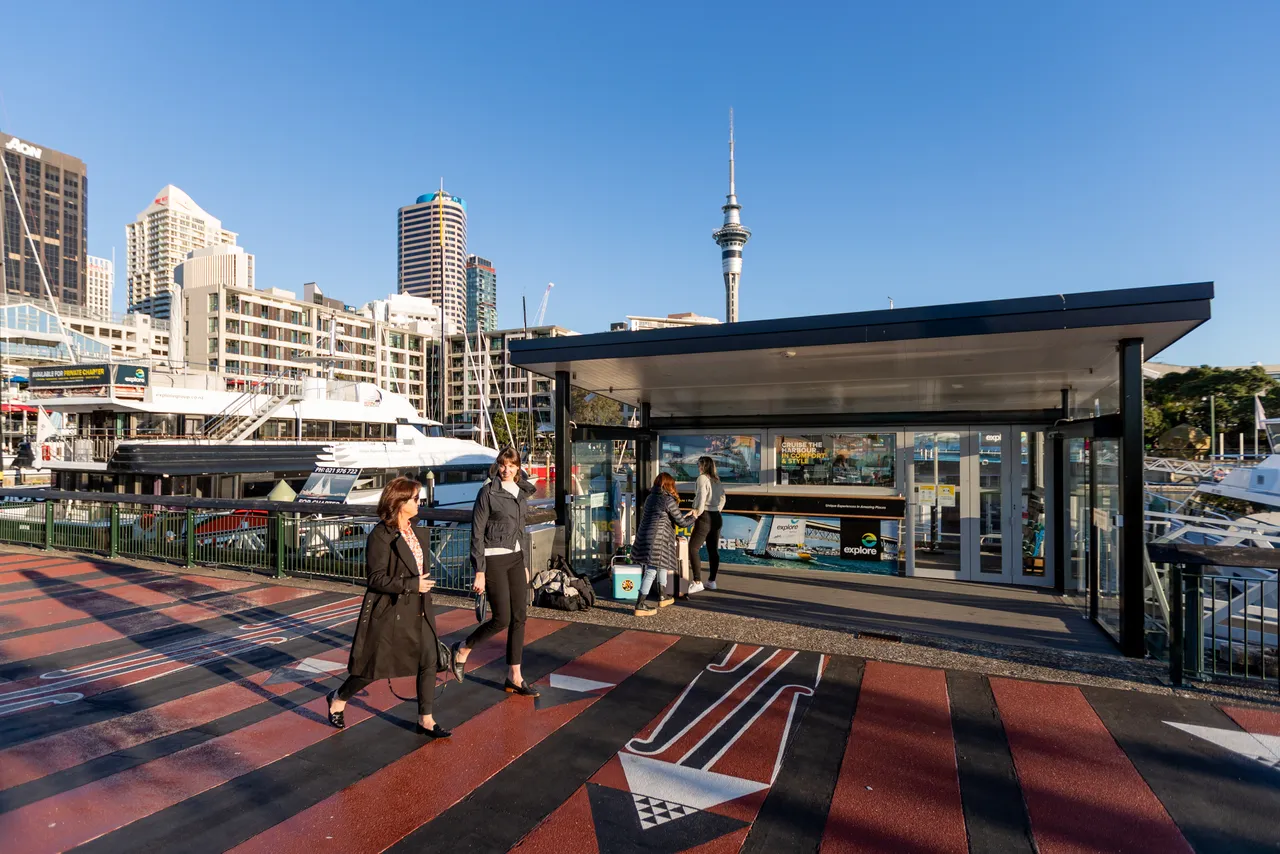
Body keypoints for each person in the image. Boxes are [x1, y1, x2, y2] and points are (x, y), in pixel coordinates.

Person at [327, 477, 450, 738]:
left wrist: (418, 587)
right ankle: (338, 697)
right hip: (392, 608)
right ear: (400, 502)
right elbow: (375, 578)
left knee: (429, 659)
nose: (420, 502)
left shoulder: (414, 529)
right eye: (415, 498)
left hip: (419, 605)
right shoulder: (380, 535)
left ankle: (425, 719)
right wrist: (411, 584)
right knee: (375, 668)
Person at [450, 447, 540, 696]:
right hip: (493, 559)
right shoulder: (488, 492)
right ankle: (464, 648)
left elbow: (520, 529)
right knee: (502, 618)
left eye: (512, 465)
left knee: (520, 616)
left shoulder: (521, 492)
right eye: (503, 464)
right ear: (498, 466)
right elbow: (476, 533)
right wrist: (479, 570)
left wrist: (523, 563)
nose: (507, 469)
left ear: (518, 467)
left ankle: (515, 675)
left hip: (515, 557)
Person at [630, 472, 695, 616]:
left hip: (647, 536)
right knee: (652, 570)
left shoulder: (650, 498)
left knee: (662, 565)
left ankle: (662, 596)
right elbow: (682, 523)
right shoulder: (668, 500)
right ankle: (640, 605)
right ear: (669, 485)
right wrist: (694, 517)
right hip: (658, 539)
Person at [687, 456, 726, 592]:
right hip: (716, 516)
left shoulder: (702, 478)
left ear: (703, 465)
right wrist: (717, 510)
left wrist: (697, 512)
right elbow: (723, 498)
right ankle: (711, 581)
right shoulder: (716, 479)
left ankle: (697, 581)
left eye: (699, 464)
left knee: (693, 548)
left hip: (705, 516)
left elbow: (702, 497)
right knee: (713, 550)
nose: (698, 467)